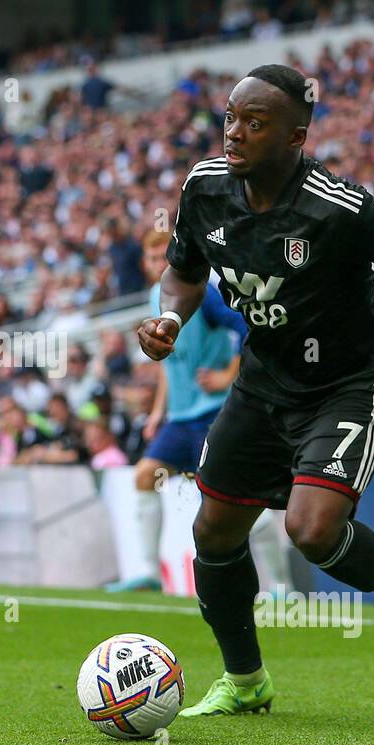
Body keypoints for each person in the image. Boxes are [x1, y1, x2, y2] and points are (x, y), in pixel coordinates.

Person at [138, 64, 374, 717]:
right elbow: (183, 272)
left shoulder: (339, 207)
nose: (235, 132)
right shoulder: (205, 187)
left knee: (310, 531)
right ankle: (246, 680)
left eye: (255, 123)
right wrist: (171, 317)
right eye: (231, 116)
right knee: (215, 531)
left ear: (294, 137)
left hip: (351, 379)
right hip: (264, 381)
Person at [117, 228, 249, 593]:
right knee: (145, 475)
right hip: (179, 416)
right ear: (143, 264)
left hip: (213, 412)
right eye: (152, 257)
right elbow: (166, 363)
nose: (159, 264)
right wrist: (159, 410)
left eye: (165, 256)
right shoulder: (153, 298)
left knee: (229, 497)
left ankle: (280, 583)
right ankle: (148, 574)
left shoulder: (201, 291)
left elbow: (244, 325)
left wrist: (228, 375)